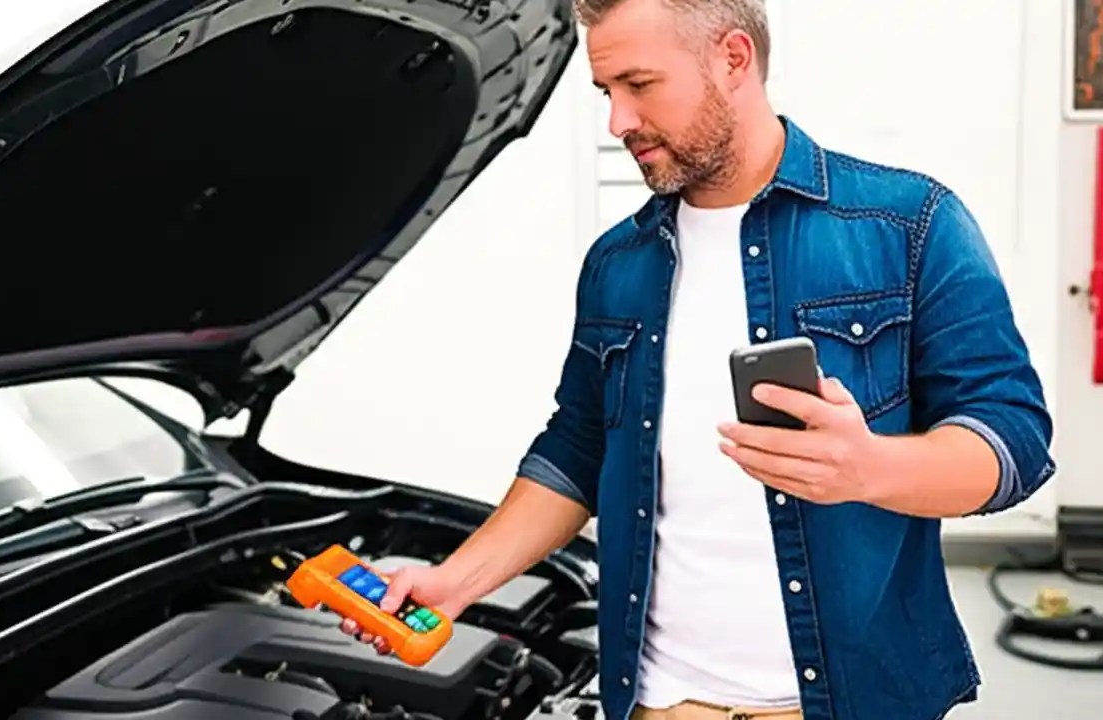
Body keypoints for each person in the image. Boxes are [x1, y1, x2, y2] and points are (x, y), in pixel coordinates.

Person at [340, 0, 1056, 718]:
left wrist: (872, 470)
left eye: (639, 85)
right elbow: (578, 448)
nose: (618, 121)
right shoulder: (617, 263)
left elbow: (1012, 439)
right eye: (607, 94)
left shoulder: (908, 225)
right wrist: (459, 579)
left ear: (733, 59)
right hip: (662, 705)